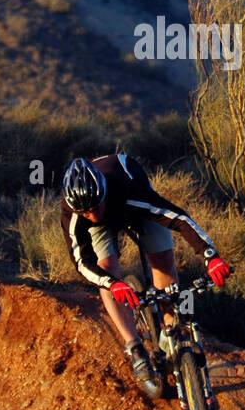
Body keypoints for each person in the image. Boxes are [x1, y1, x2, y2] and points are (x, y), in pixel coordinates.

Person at [60, 153, 232, 394]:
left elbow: (178, 218)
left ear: (103, 193)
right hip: (99, 229)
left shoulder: (127, 190)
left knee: (163, 260)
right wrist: (113, 284)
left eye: (96, 207)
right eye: (86, 212)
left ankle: (171, 332)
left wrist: (210, 256)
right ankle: (135, 346)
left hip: (129, 202)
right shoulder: (73, 213)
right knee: (107, 271)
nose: (93, 215)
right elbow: (81, 263)